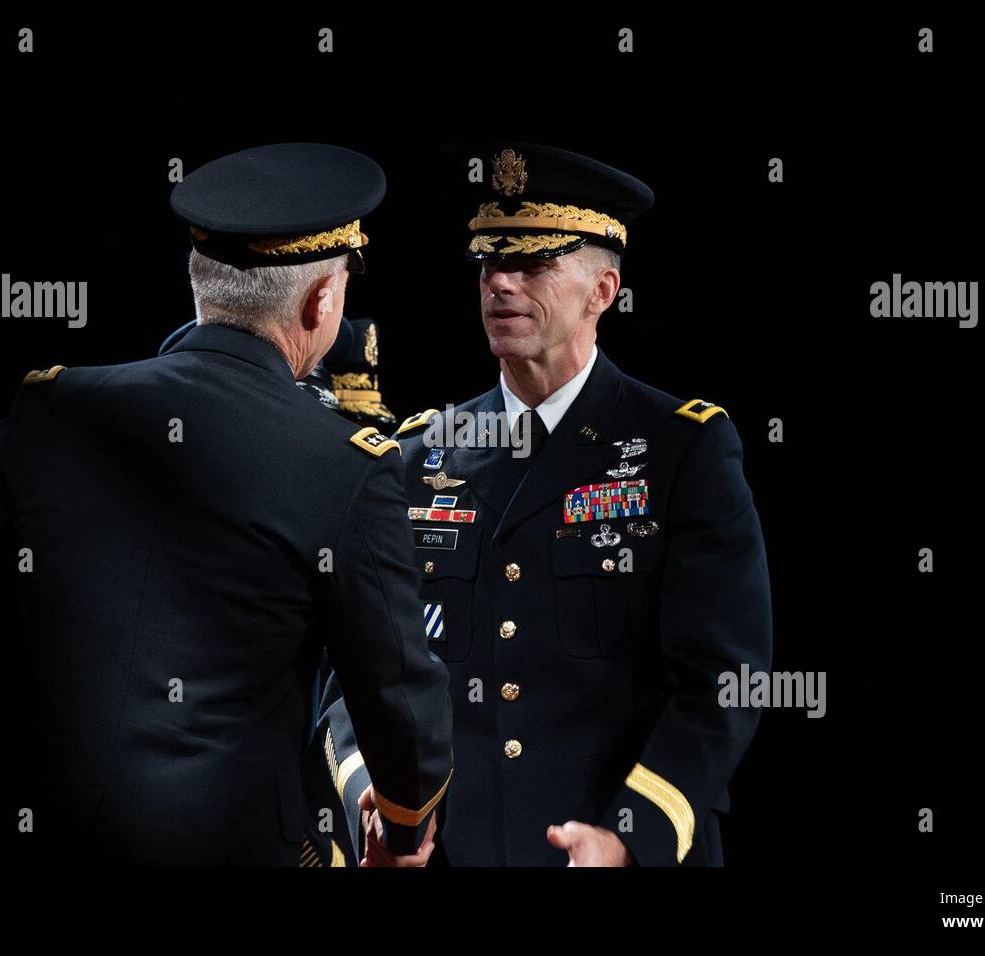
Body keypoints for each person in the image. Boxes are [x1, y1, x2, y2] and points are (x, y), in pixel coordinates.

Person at [0, 143, 452, 865]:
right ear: (323, 302)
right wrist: (406, 826)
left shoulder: (50, 408)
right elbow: (398, 696)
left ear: (201, 280)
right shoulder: (346, 467)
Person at [319, 142, 771, 866]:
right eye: (490, 264)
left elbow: (726, 680)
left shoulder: (682, 450)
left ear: (604, 291)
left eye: (533, 264)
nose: (501, 283)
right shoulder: (413, 459)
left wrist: (633, 835)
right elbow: (355, 676)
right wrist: (373, 799)